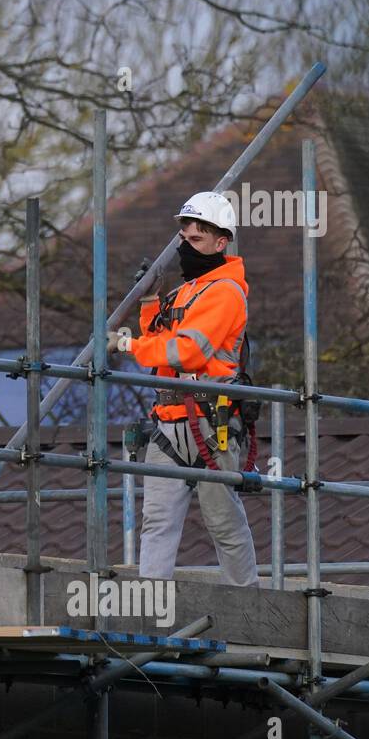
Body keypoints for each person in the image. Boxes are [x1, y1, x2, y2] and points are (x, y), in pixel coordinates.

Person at [107, 191, 259, 587]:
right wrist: (152, 298)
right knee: (157, 522)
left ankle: (252, 608)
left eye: (196, 240)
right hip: (170, 420)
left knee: (224, 523)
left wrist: (127, 345)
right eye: (184, 239)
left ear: (220, 242)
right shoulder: (186, 291)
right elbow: (160, 339)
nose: (186, 247)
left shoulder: (226, 291)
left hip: (214, 422)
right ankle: (149, 608)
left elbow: (186, 352)